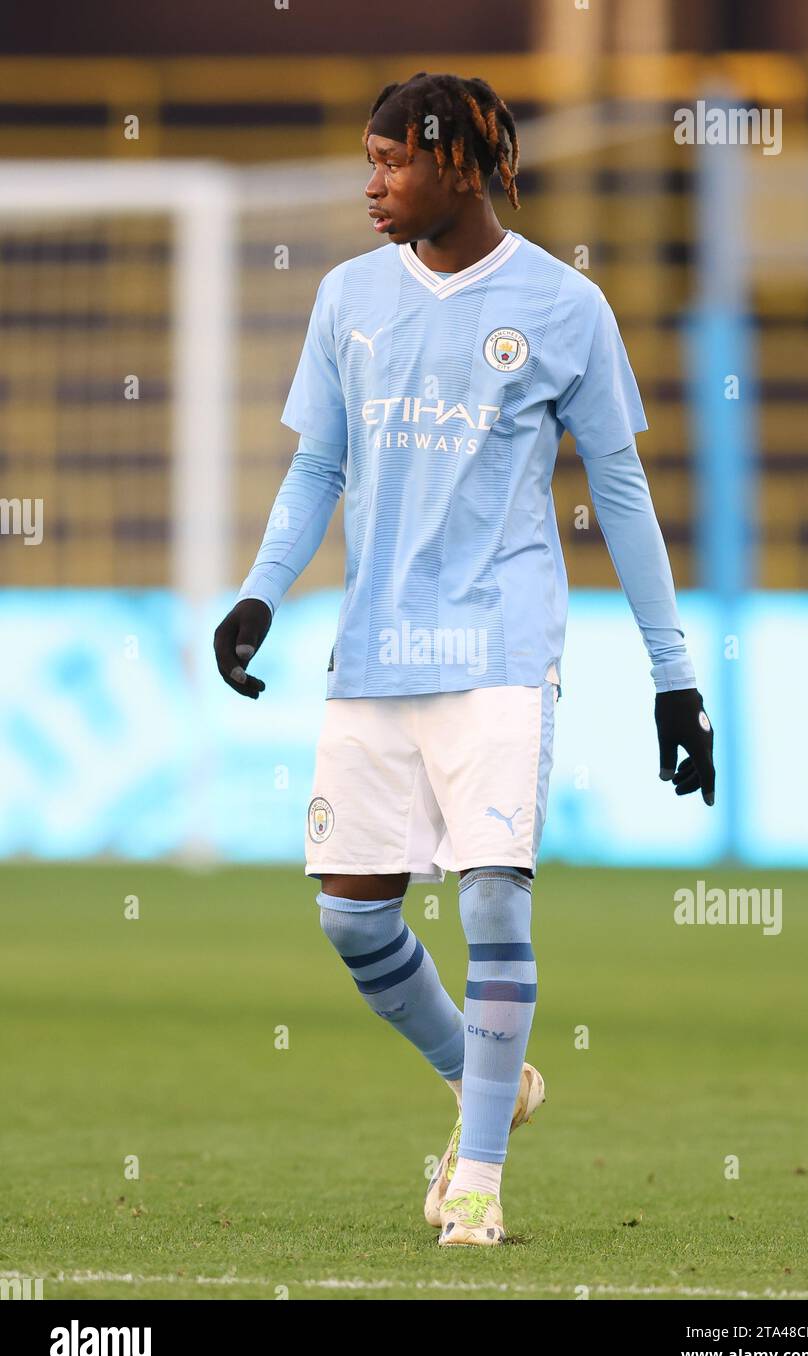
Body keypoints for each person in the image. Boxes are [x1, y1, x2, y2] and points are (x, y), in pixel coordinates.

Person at [214, 71, 715, 1248]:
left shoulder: (562, 306)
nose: (371, 182)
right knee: (351, 921)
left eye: (391, 159)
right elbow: (314, 468)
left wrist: (672, 672)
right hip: (372, 649)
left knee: (493, 897)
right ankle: (486, 1076)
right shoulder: (345, 299)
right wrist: (257, 592)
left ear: (459, 165)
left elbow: (622, 491)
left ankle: (476, 1182)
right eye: (367, 157)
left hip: (499, 645)